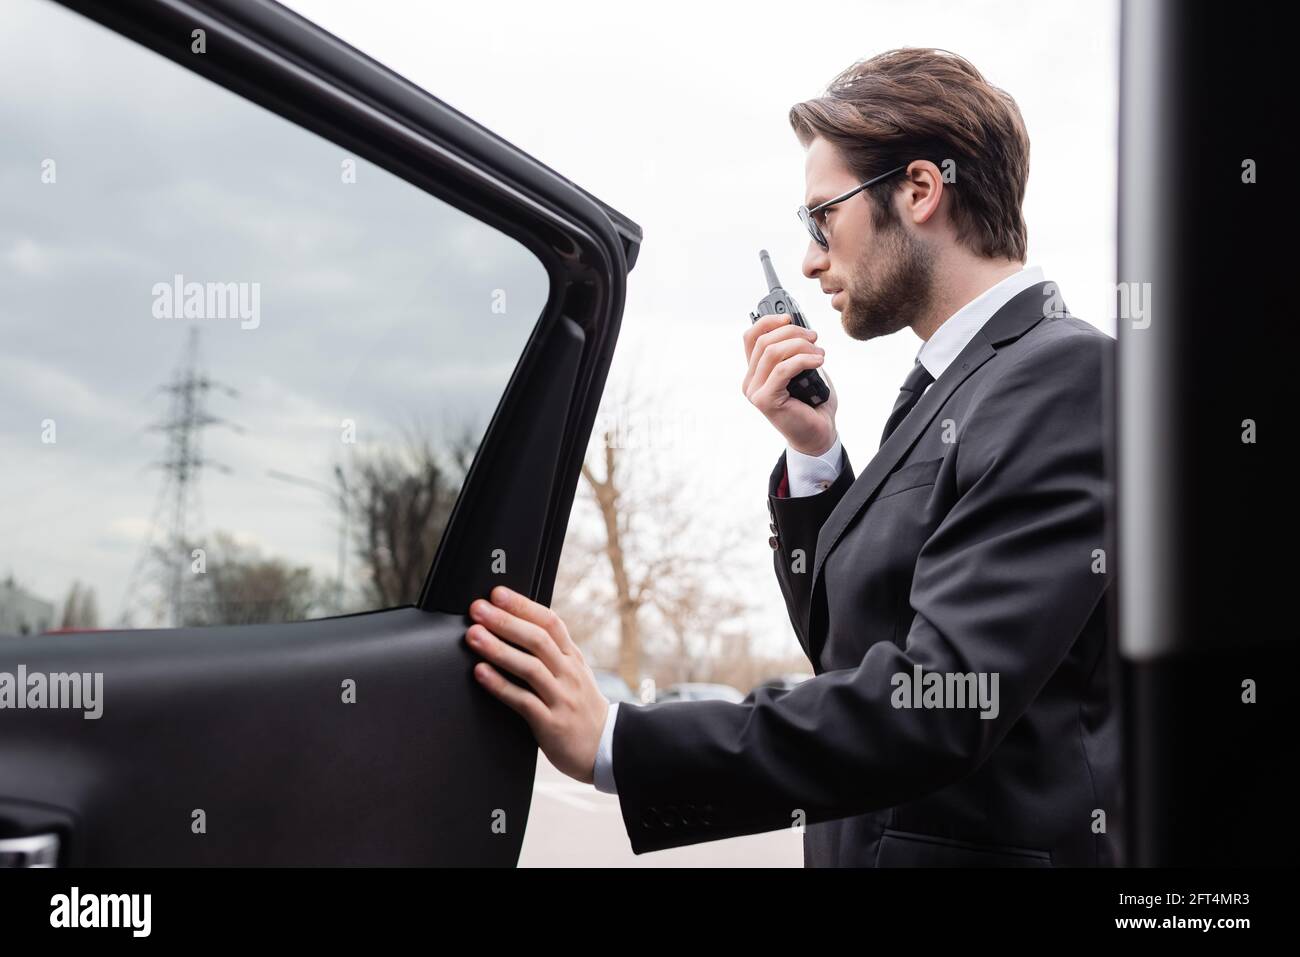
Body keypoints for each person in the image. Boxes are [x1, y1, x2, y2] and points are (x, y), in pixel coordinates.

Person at [464, 48, 1118, 867]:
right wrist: (816, 456)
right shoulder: (952, 387)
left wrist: (619, 739)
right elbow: (853, 652)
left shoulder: (1063, 374)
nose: (810, 259)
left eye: (822, 218)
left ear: (921, 190)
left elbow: (942, 701)